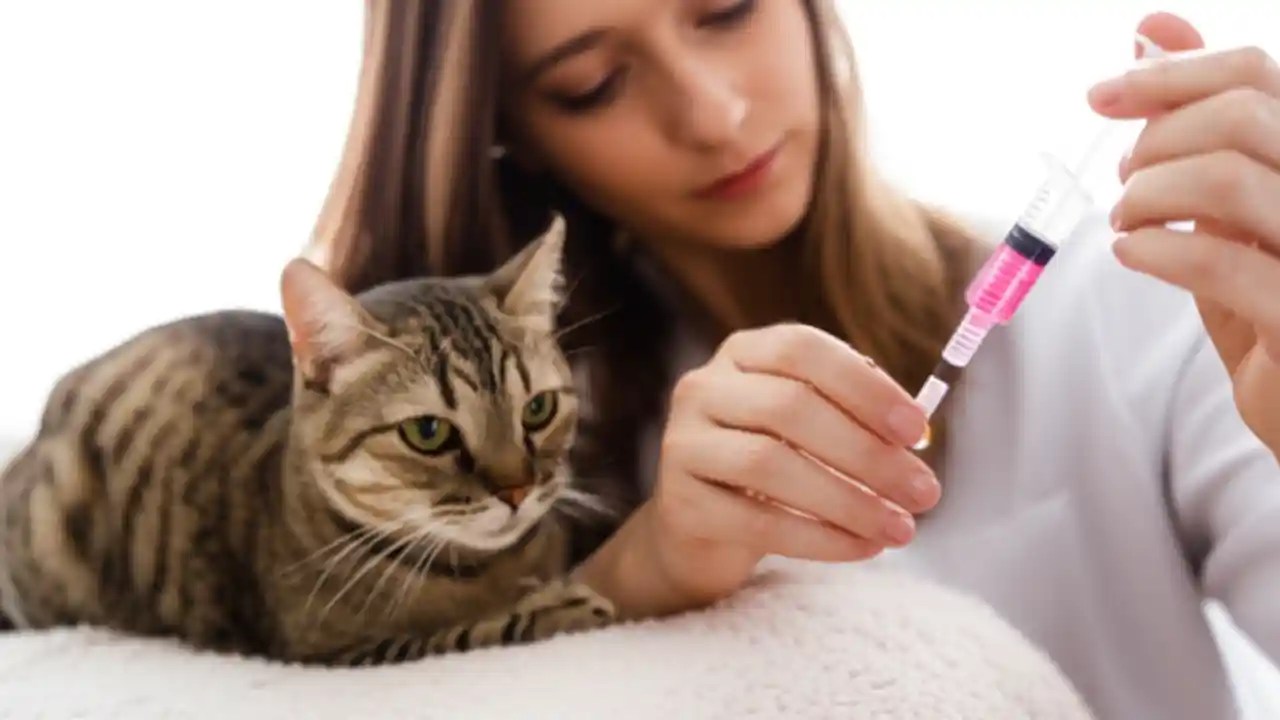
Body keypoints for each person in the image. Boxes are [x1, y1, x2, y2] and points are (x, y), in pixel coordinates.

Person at [309, 2, 1280, 717]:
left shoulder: (1143, 301)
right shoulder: (513, 439)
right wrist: (648, 568)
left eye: (725, 11)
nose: (714, 114)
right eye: (591, 84)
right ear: (505, 133)